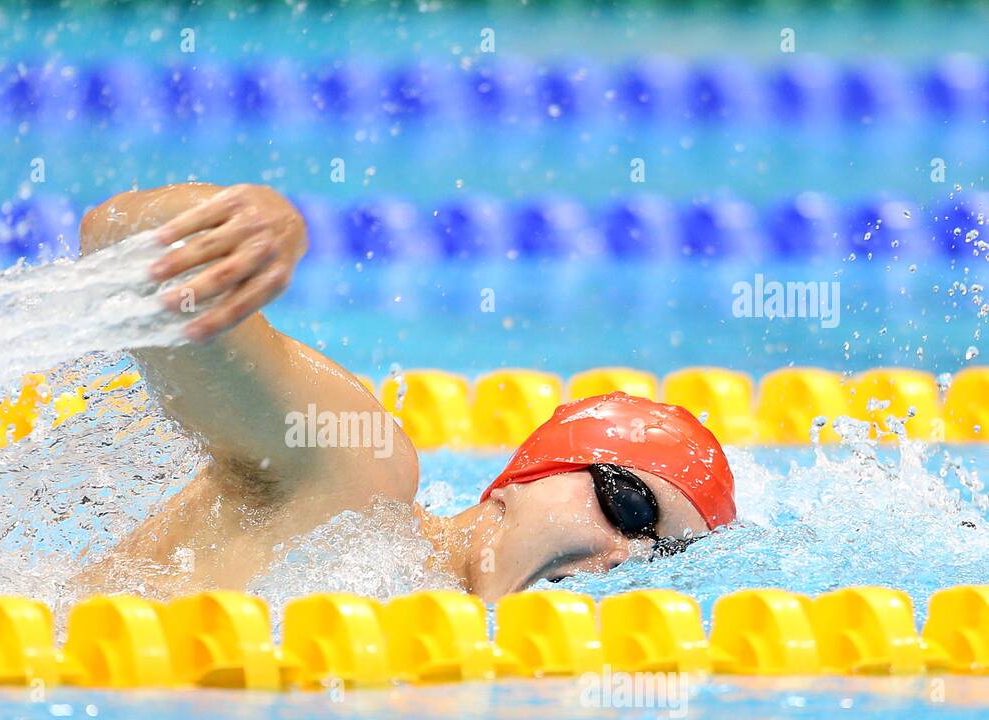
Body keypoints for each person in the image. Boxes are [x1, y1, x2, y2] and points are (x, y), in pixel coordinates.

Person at [70, 182, 735, 602]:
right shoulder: (355, 479)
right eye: (628, 503)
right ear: (526, 474)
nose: (627, 555)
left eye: (662, 554)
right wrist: (250, 221)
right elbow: (118, 247)